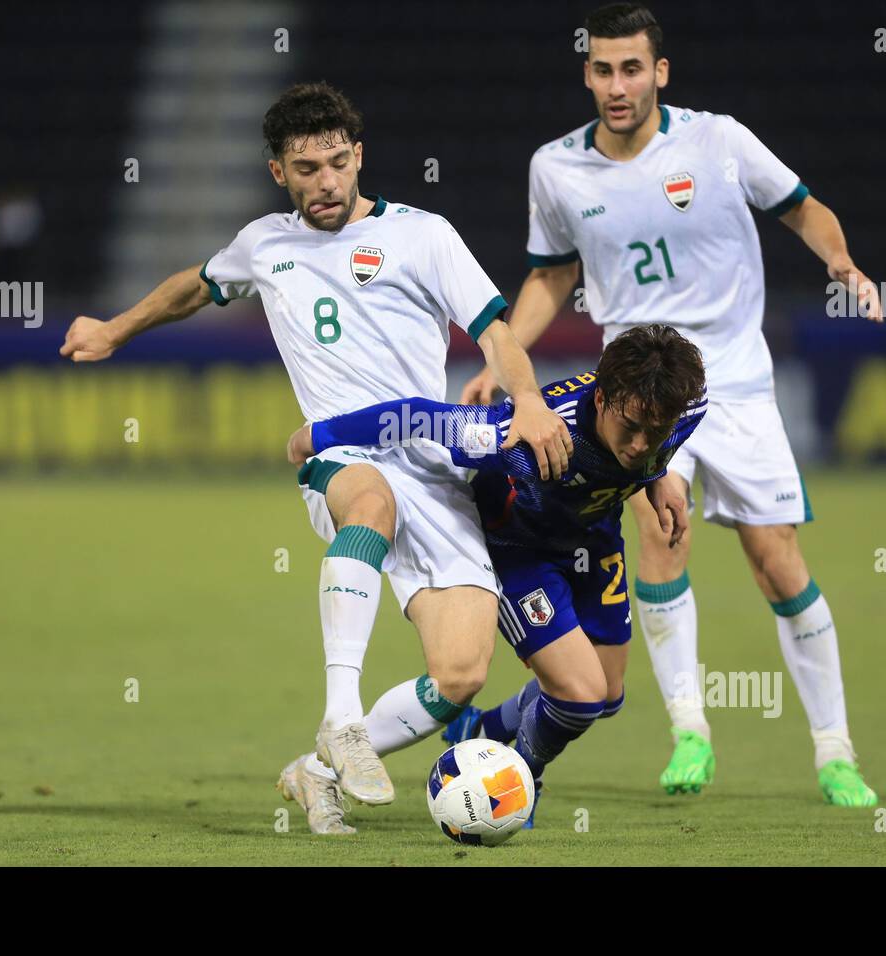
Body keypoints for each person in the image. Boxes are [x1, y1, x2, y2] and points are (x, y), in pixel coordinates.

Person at [59, 82, 572, 834]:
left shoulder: (423, 235)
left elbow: (497, 332)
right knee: (371, 505)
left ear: (359, 156)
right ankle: (342, 715)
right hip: (343, 458)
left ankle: (315, 772)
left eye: (337, 162)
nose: (325, 181)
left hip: (434, 468)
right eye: (306, 169)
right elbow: (193, 289)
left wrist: (526, 400)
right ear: (279, 173)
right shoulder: (265, 244)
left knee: (460, 674)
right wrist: (114, 329)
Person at [459, 4, 879, 806]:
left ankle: (835, 752)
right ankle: (691, 730)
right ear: (586, 73)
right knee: (661, 529)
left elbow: (802, 206)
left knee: (776, 560)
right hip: (639, 393)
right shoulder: (556, 168)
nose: (617, 87)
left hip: (736, 379)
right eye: (602, 70)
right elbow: (551, 275)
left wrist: (842, 261)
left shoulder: (717, 141)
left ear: (660, 73)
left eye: (632, 69)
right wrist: (504, 359)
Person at [289, 325, 705, 826]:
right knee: (579, 696)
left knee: (608, 695)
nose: (640, 445)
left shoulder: (683, 410)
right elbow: (415, 418)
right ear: (602, 399)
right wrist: (319, 435)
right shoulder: (529, 431)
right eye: (631, 427)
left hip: (594, 542)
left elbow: (651, 447)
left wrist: (658, 479)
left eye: (654, 434)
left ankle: (481, 728)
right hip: (518, 550)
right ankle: (516, 783)